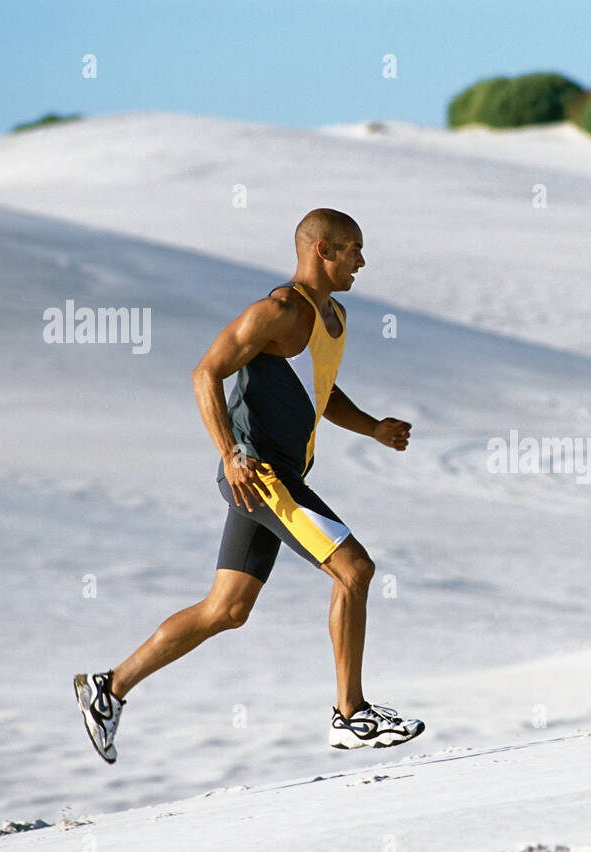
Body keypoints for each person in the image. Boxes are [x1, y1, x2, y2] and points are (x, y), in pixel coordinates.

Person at [75, 208, 424, 763]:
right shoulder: (281, 309)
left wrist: (374, 427)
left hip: (277, 477)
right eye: (353, 248)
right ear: (322, 251)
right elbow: (205, 373)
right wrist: (231, 452)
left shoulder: (333, 317)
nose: (363, 259)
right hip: (260, 475)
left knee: (227, 609)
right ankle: (351, 715)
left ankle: (108, 689)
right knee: (354, 569)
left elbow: (322, 393)